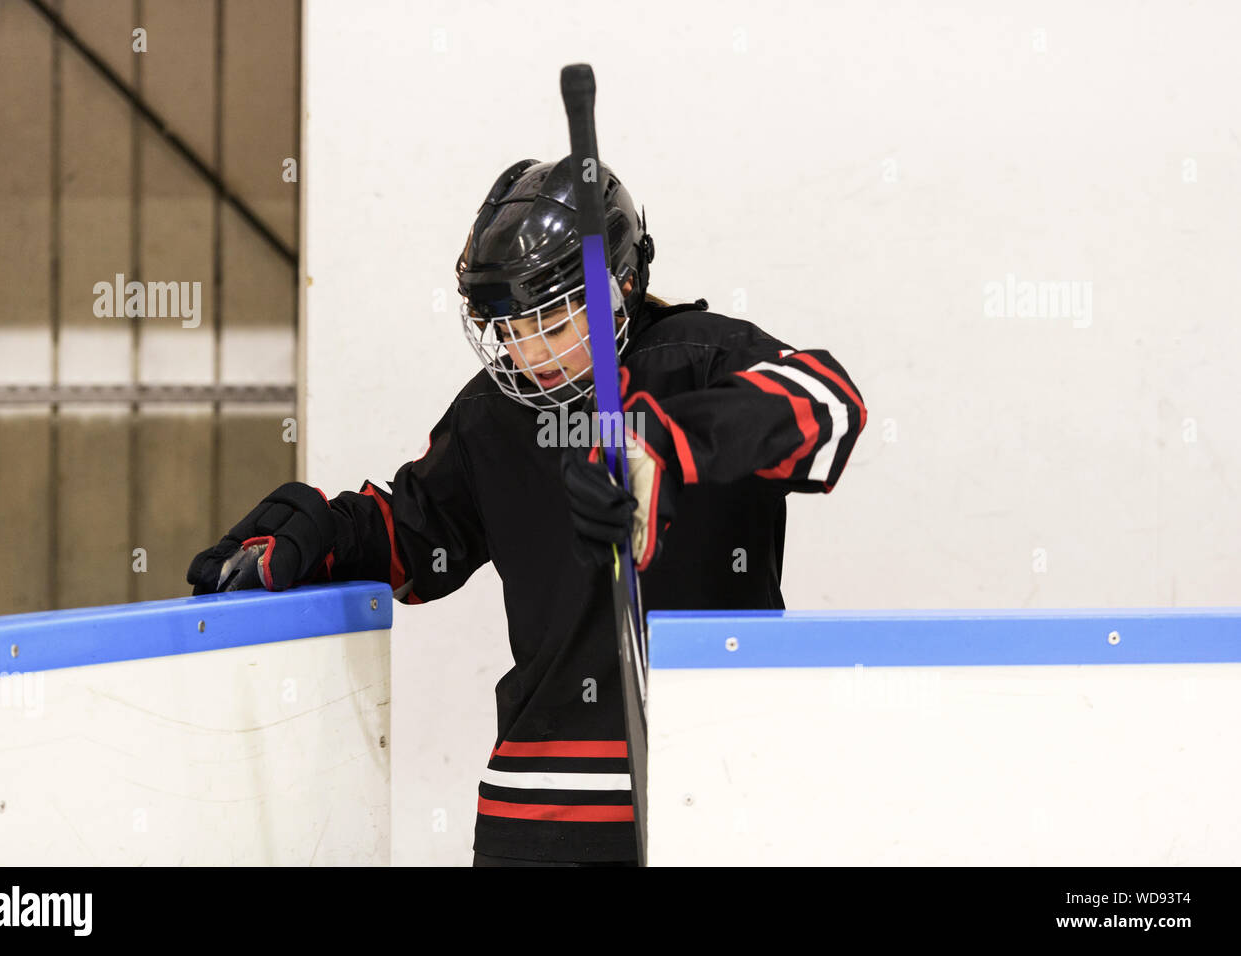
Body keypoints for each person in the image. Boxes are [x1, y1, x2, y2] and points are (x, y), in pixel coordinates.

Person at [187, 156, 868, 866]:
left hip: (721, 788)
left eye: (551, 320)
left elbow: (830, 406)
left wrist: (663, 443)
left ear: (622, 285)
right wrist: (326, 535)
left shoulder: (703, 360)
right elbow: (416, 540)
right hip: (538, 807)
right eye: (508, 325)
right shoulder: (492, 411)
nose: (526, 350)